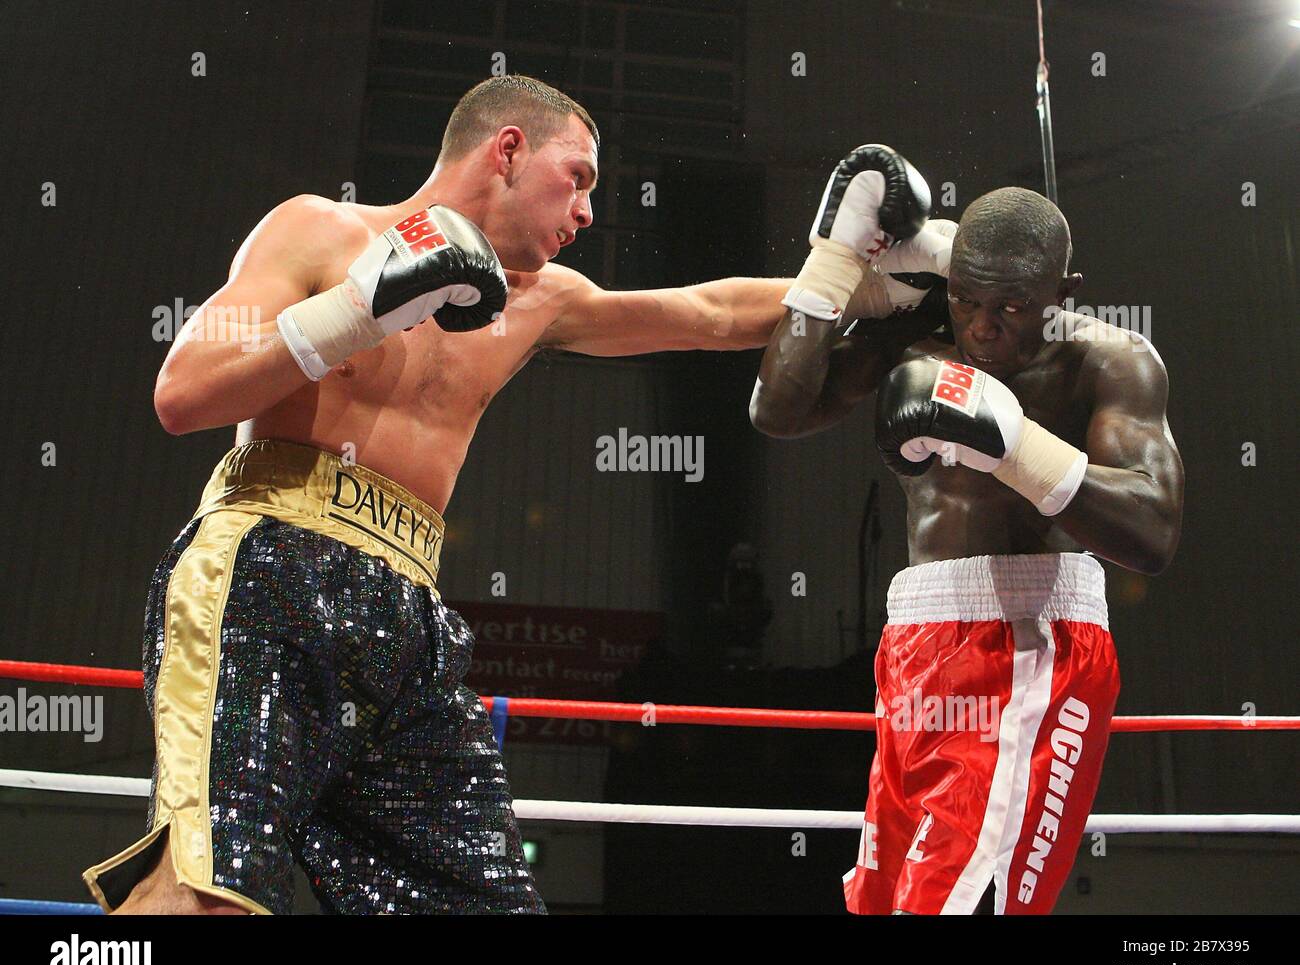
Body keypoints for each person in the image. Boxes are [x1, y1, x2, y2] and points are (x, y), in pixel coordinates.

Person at [84, 74, 791, 915]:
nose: (589, 212)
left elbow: (707, 311)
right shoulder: (318, 230)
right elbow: (184, 391)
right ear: (509, 149)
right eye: (581, 177)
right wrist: (360, 307)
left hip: (410, 620)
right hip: (268, 573)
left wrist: (858, 285)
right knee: (210, 893)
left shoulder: (542, 301)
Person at [750, 157, 1184, 914]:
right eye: (966, 298)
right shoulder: (917, 340)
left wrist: (1015, 448)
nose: (982, 327)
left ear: (1061, 293)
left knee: (954, 899)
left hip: (1033, 636)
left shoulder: (1108, 362)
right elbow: (778, 412)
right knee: (885, 900)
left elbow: (1153, 530)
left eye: (1012, 307)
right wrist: (837, 255)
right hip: (915, 640)